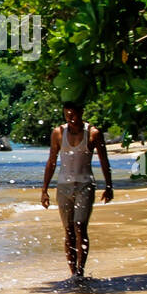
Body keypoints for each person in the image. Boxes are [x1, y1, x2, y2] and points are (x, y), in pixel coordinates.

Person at [41, 101, 113, 279]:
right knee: (69, 230)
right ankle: (73, 273)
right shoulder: (59, 133)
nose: (71, 118)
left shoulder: (93, 133)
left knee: (80, 226)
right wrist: (44, 189)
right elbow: (51, 161)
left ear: (82, 112)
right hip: (63, 187)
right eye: (67, 115)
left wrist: (109, 186)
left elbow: (104, 161)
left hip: (85, 186)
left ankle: (80, 270)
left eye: (74, 115)